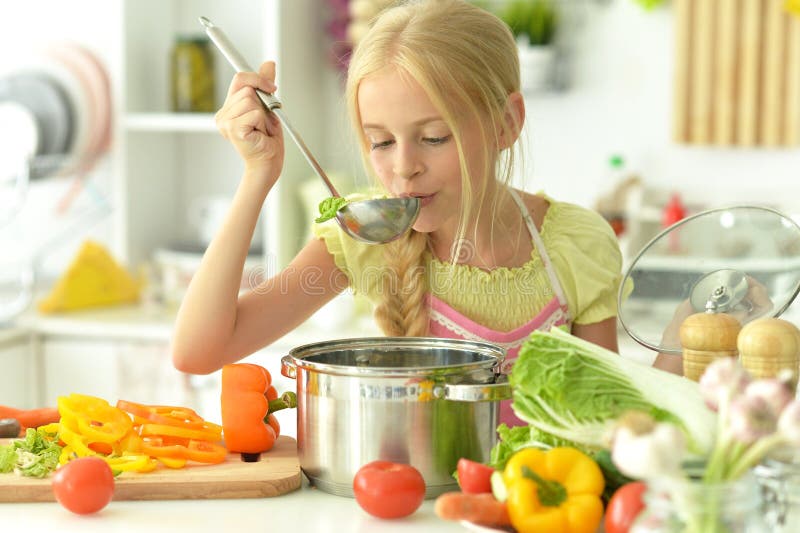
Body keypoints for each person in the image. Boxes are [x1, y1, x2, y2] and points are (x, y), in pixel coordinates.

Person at [172, 0, 624, 426]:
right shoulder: (366, 239)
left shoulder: (575, 245)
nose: (404, 168)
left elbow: (608, 419)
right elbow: (198, 351)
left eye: (433, 137)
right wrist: (258, 174)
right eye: (382, 142)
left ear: (506, 123)